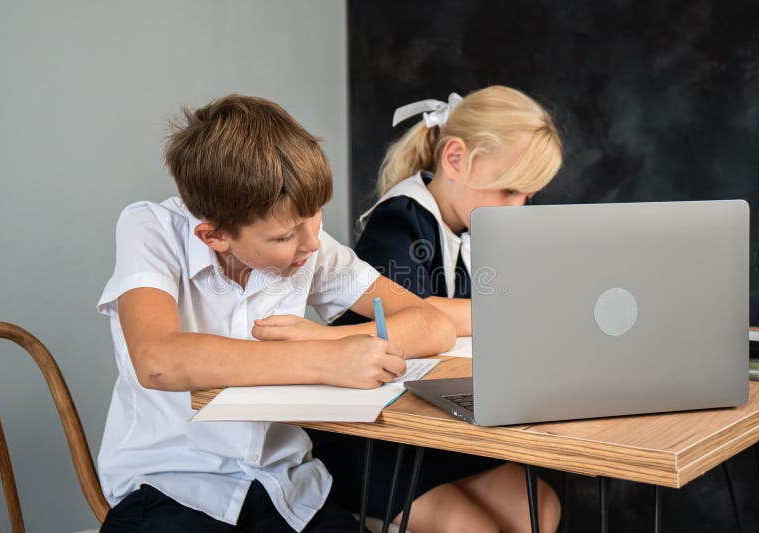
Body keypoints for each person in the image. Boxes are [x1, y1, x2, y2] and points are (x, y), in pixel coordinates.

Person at [96, 94, 456, 533]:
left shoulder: (309, 251)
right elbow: (158, 361)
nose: (311, 242)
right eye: (286, 235)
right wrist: (327, 361)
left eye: (316, 215)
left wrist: (329, 340)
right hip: (170, 487)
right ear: (215, 236)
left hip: (286, 487)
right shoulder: (149, 229)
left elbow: (432, 323)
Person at [314, 86, 564, 533]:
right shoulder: (400, 221)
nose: (519, 208)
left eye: (528, 195)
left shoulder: (472, 227)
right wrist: (516, 308)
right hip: (374, 431)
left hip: (434, 422)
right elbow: (420, 319)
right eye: (509, 190)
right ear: (454, 159)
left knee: (540, 508)